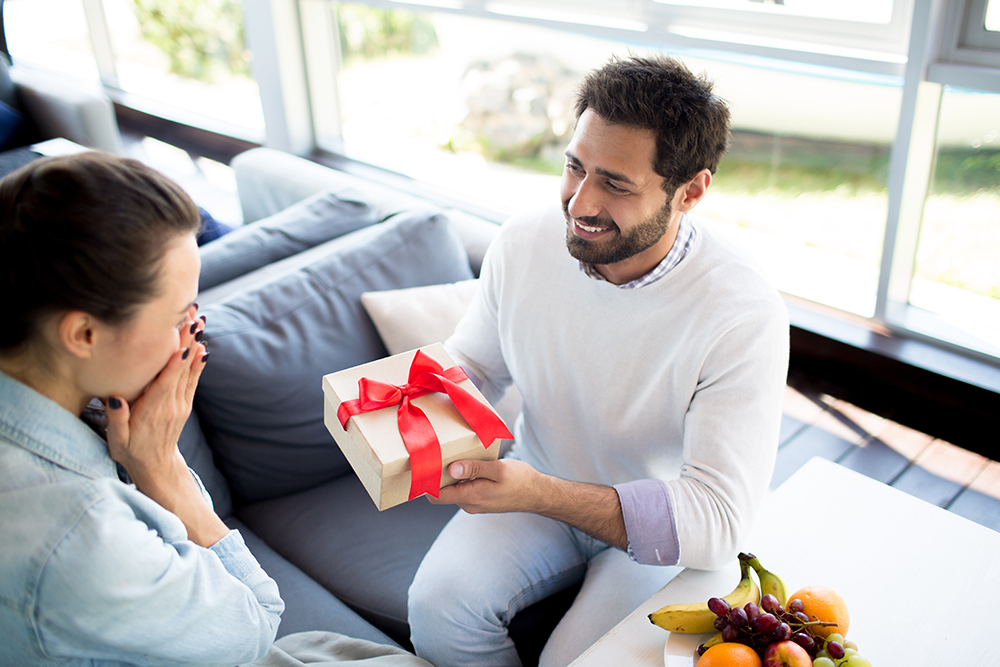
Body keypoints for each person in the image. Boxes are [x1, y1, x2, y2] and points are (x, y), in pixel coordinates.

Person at [407, 54, 790, 667]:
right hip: (536, 487)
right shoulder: (523, 241)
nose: (579, 202)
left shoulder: (743, 315)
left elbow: (718, 521)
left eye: (615, 183)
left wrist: (543, 491)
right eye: (574, 167)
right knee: (436, 609)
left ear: (689, 191)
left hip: (667, 539)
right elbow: (475, 365)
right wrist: (407, 427)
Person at [0, 152, 434, 667]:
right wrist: (163, 470)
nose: (191, 330)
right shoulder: (80, 534)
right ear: (84, 334)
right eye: (179, 313)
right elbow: (252, 624)